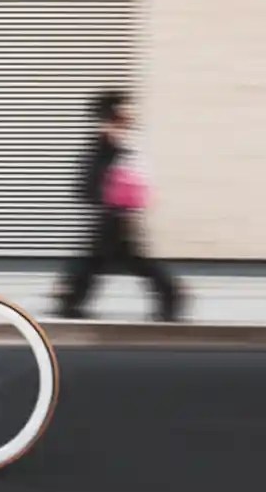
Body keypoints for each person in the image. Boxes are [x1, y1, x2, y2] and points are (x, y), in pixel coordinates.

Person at [54, 89, 183, 321]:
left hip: (115, 212)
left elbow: (97, 179)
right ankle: (70, 300)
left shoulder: (111, 144)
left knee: (108, 260)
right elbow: (92, 179)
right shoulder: (106, 145)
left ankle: (70, 300)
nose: (128, 117)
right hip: (112, 211)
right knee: (105, 260)